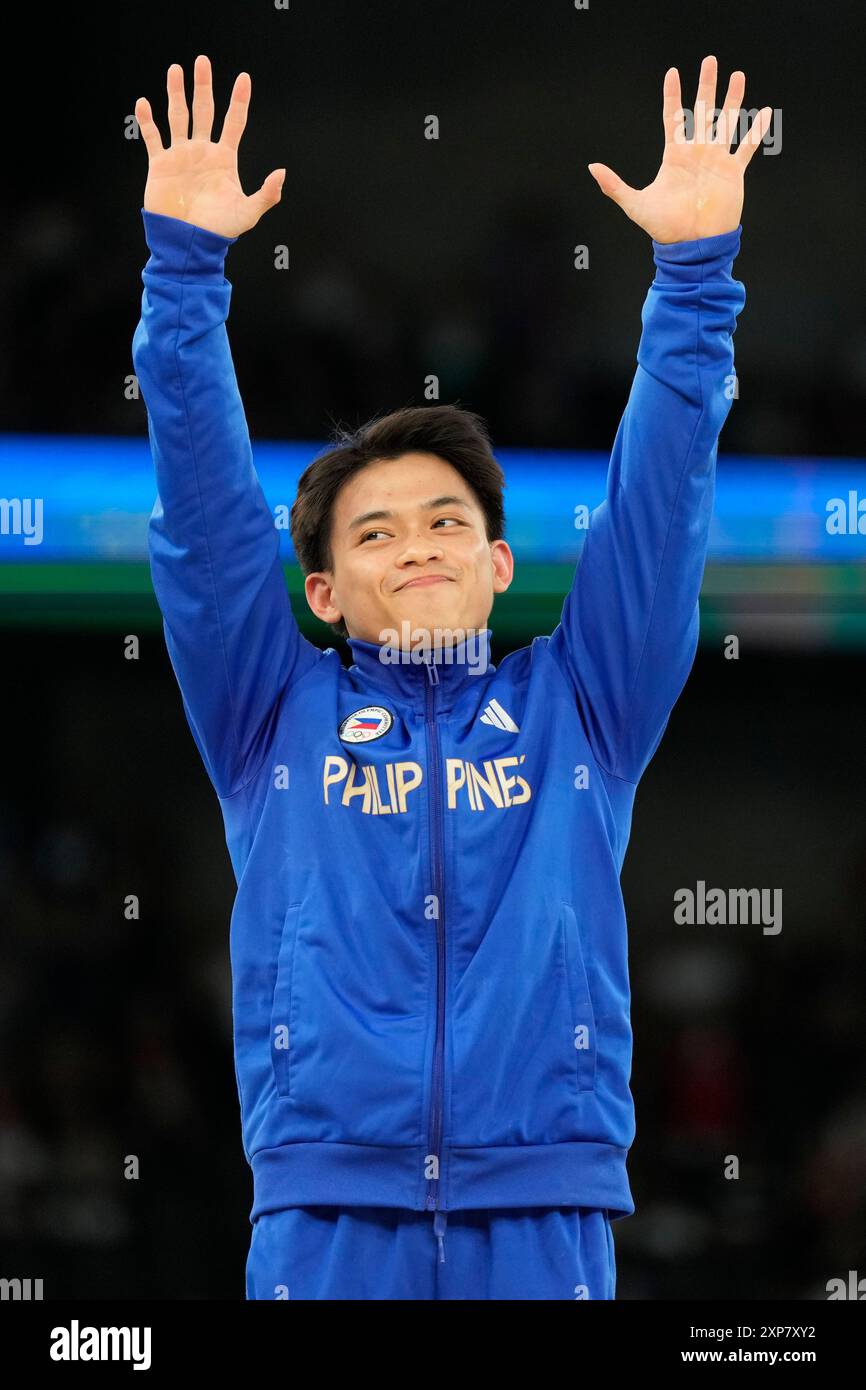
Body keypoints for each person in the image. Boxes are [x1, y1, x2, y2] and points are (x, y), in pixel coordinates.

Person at [131, 53, 768, 1299]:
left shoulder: (581, 700)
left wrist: (693, 285)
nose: (413, 543)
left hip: (545, 1211)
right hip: (324, 1209)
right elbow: (205, 525)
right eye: (372, 533)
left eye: (440, 522)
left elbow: (656, 514)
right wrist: (184, 276)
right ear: (320, 593)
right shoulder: (272, 711)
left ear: (496, 564)